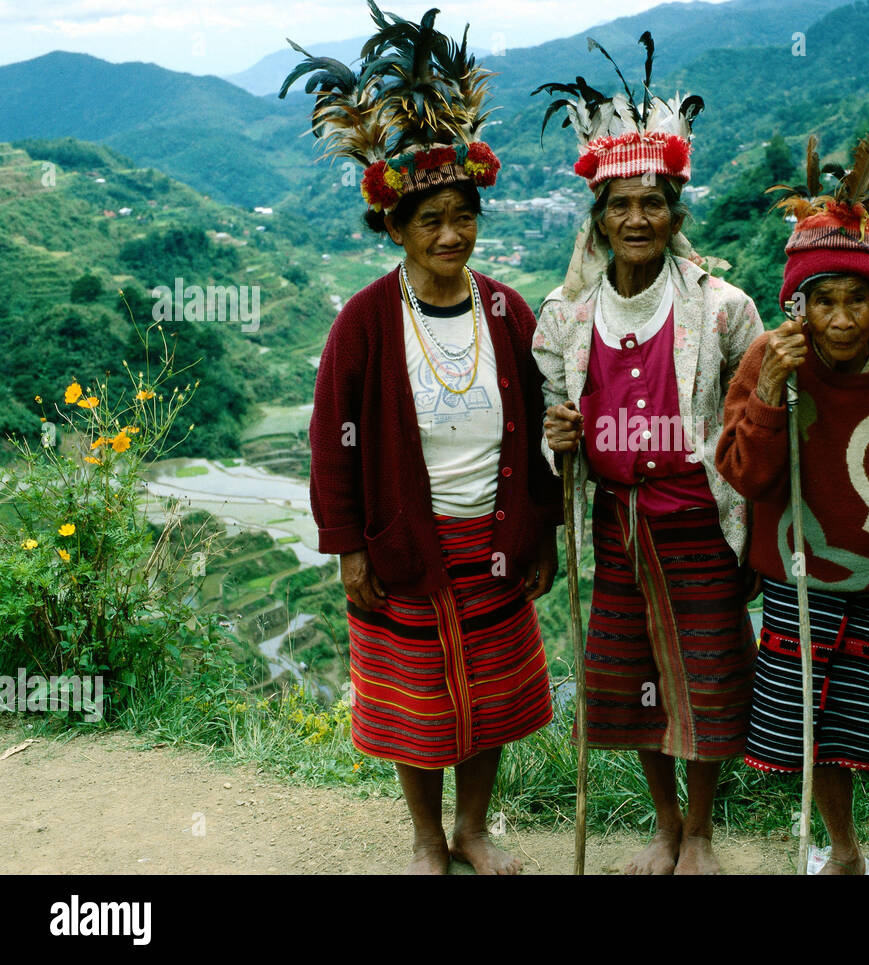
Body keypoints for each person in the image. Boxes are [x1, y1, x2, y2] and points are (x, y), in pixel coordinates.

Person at [288, 9, 562, 875]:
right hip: (404, 539)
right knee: (417, 701)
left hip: (492, 533)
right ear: (397, 228)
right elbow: (332, 445)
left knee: (490, 697)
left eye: (462, 215)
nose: (450, 234)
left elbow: (545, 430)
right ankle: (424, 838)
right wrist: (347, 550)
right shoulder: (365, 323)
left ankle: (475, 828)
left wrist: (541, 526)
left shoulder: (508, 310)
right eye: (430, 219)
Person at [532, 34, 764, 875]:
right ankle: (664, 828)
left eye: (653, 203)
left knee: (704, 674)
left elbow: (758, 408)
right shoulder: (564, 318)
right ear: (598, 216)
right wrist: (563, 438)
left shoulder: (723, 308)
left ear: (674, 214)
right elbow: (555, 411)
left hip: (699, 516)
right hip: (617, 522)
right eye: (620, 204)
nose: (637, 218)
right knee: (635, 681)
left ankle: (700, 832)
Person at [716, 126, 869, 874]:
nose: (841, 317)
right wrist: (766, 392)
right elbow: (745, 474)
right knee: (814, 726)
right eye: (823, 300)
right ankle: (846, 851)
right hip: (799, 584)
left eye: (857, 299)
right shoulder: (770, 359)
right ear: (800, 303)